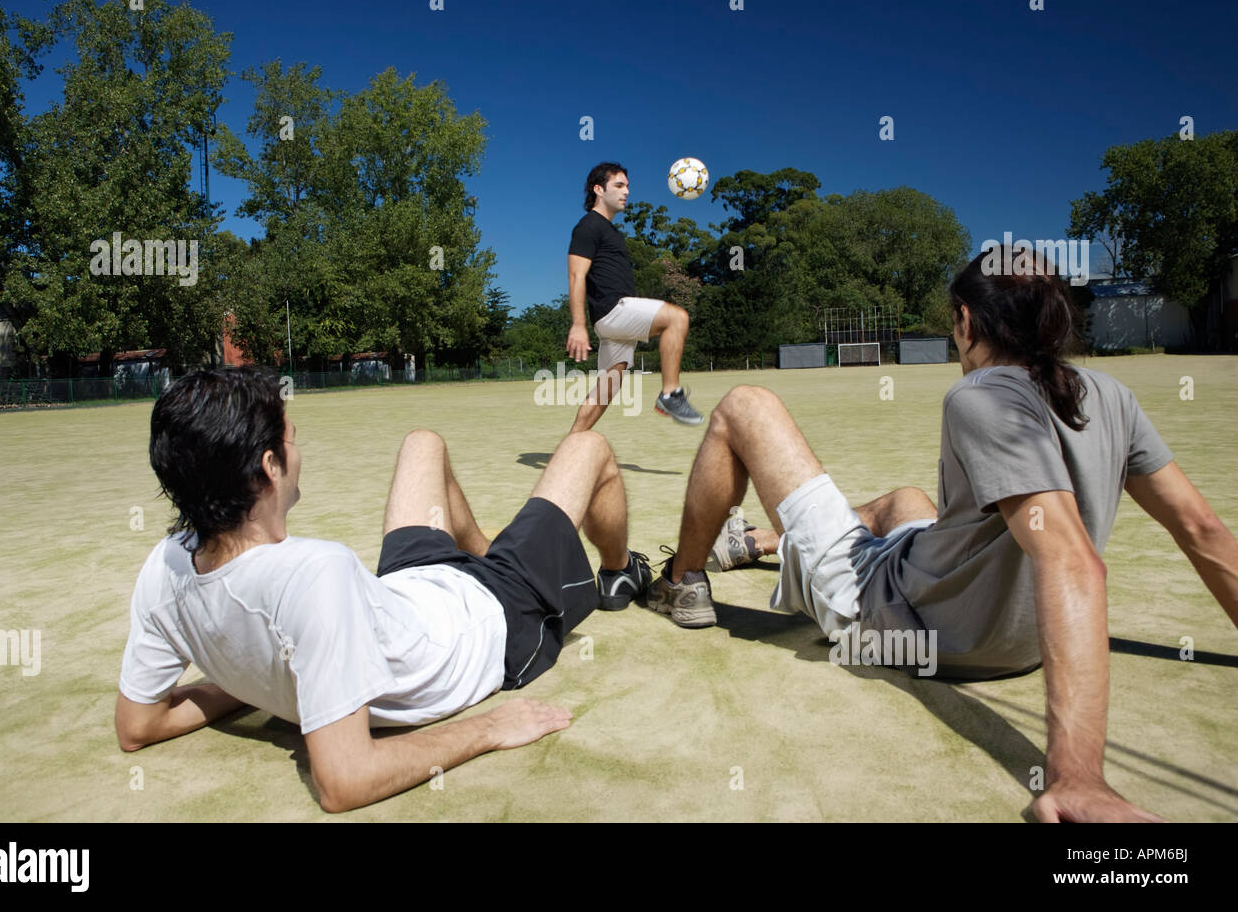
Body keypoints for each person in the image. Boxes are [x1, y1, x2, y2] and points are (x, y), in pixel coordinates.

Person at [646, 246, 1238, 822]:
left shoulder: (979, 396)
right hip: (1018, 640)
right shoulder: (1111, 394)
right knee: (905, 501)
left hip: (897, 620)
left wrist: (1077, 775)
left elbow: (1072, 561)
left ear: (965, 320)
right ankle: (763, 542)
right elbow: (1203, 530)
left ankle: (682, 583)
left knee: (745, 406)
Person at [114, 366, 651, 812]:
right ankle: (619, 569)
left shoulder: (165, 567)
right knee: (589, 447)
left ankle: (498, 551)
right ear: (269, 466)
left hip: (409, 587)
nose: (299, 451)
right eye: (292, 438)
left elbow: (138, 724)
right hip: (494, 617)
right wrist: (489, 728)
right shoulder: (314, 574)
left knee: (424, 443)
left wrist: (254, 676)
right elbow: (345, 781)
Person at [565, 161, 702, 430]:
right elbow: (575, 276)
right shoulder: (588, 226)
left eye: (627, 186)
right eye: (619, 185)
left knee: (608, 388)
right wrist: (578, 325)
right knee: (677, 319)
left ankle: (569, 450)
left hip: (616, 323)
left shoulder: (612, 232)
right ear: (598, 189)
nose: (626, 191)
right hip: (613, 310)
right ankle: (670, 395)